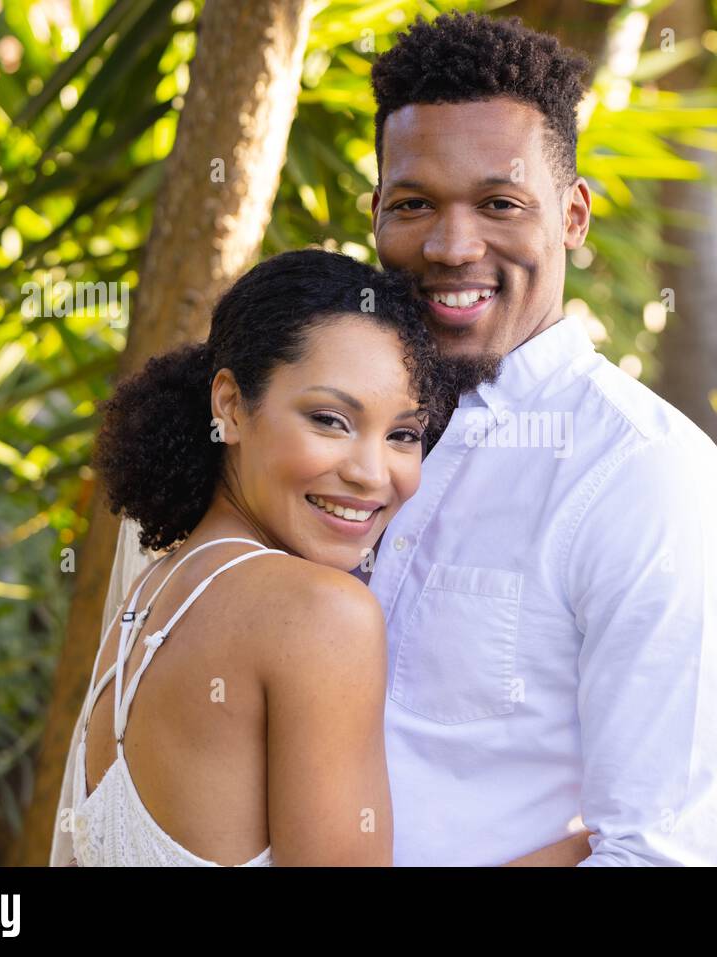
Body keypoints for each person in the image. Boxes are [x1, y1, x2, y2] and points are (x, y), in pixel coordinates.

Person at [362, 11, 717, 865]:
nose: (450, 245)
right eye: (414, 204)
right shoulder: (329, 438)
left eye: (499, 203)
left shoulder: (650, 480)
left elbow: (659, 856)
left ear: (574, 216)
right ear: (376, 215)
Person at [53, 249, 591, 865]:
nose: (369, 473)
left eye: (403, 435)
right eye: (331, 420)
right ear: (230, 405)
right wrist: (583, 851)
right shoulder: (319, 613)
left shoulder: (154, 594)